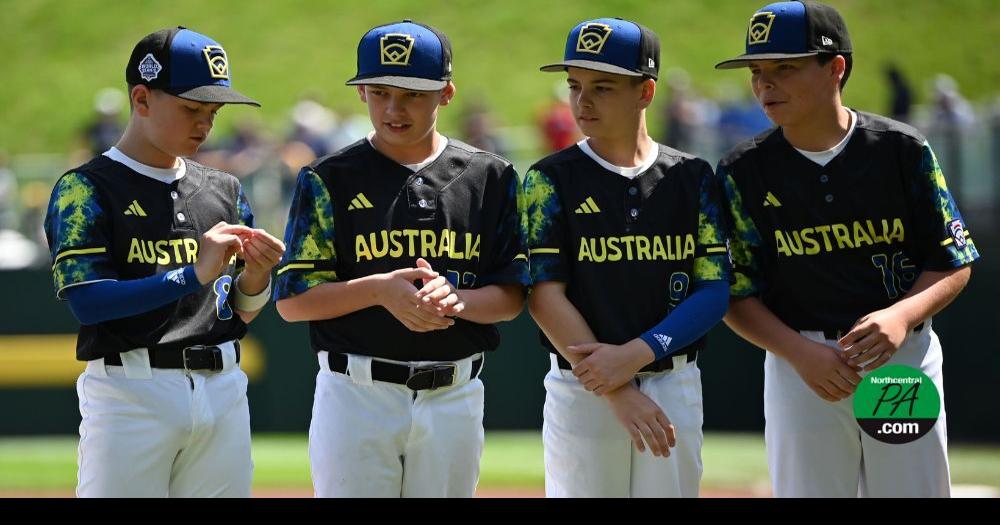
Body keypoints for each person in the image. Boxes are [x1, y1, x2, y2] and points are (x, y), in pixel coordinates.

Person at [715, 1, 979, 497]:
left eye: (784, 68)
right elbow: (735, 293)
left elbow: (952, 260)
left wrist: (902, 316)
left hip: (898, 362)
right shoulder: (741, 172)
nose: (764, 84)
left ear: (835, 67)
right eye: (756, 70)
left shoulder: (900, 149)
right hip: (801, 365)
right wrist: (800, 353)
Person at [273, 20, 529, 498]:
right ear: (362, 92)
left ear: (446, 93)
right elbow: (292, 302)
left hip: (455, 392)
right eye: (380, 91)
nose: (394, 108)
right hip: (356, 394)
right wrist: (378, 290)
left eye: (413, 93)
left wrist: (456, 300)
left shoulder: (490, 177)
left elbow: (512, 296)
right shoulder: (329, 178)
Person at [43, 27, 284, 497]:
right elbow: (88, 303)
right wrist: (192, 273)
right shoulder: (85, 188)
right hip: (131, 391)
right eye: (191, 108)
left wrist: (257, 275)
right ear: (141, 98)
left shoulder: (225, 190)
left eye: (212, 112)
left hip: (222, 386)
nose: (204, 124)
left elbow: (235, 311)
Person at [525, 18, 731, 497]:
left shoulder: (692, 176)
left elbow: (714, 289)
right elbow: (542, 294)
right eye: (575, 85)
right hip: (584, 387)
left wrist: (639, 354)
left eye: (603, 86)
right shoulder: (548, 179)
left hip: (672, 381)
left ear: (646, 91)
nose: (583, 100)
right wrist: (615, 388)